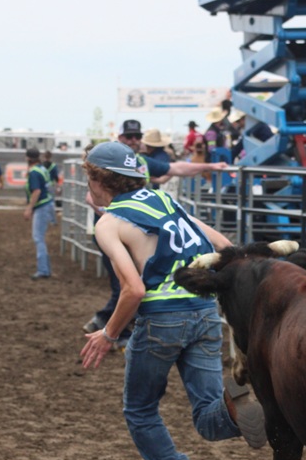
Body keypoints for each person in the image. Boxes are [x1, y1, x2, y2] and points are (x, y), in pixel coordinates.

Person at [79, 141, 265, 460]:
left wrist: (108, 335)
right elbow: (224, 245)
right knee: (209, 416)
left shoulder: (109, 224)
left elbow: (133, 290)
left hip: (161, 319)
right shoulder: (165, 201)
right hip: (204, 312)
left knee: (140, 410)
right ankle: (250, 407)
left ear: (98, 181)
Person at [82, 120, 229, 335]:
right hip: (202, 308)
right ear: (121, 138)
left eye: (137, 136)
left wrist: (209, 166)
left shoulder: (140, 166)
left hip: (160, 305)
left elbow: (175, 168)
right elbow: (223, 244)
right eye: (129, 136)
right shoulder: (160, 197)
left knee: (128, 285)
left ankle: (113, 327)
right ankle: (113, 324)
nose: (133, 140)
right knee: (124, 284)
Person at [23, 147, 55, 280]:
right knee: (40, 237)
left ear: (28, 158)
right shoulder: (42, 169)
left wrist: (29, 208)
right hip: (47, 203)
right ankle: (45, 268)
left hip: (41, 205)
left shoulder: (34, 172)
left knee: (38, 237)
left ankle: (43, 270)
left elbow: (36, 191)